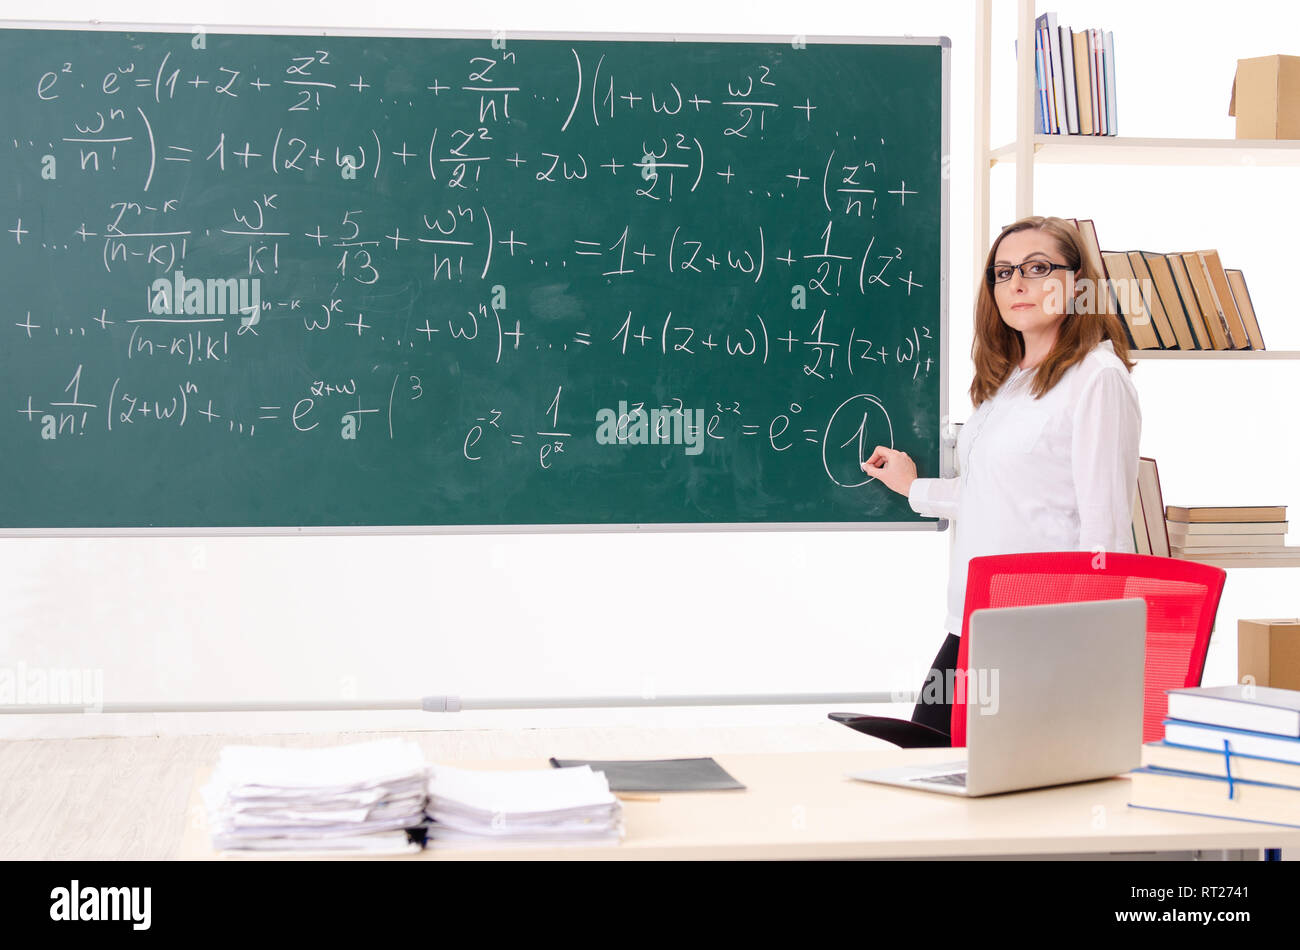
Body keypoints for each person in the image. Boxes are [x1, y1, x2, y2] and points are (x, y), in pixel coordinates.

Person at [863, 215, 1142, 736]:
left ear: (1078, 284)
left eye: (1038, 268)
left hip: (1041, 627)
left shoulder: (1096, 379)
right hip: (974, 617)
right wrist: (910, 486)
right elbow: (995, 495)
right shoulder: (1008, 381)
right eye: (1003, 271)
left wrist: (1085, 650)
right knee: (934, 763)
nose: (1017, 284)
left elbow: (1105, 530)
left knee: (972, 775)